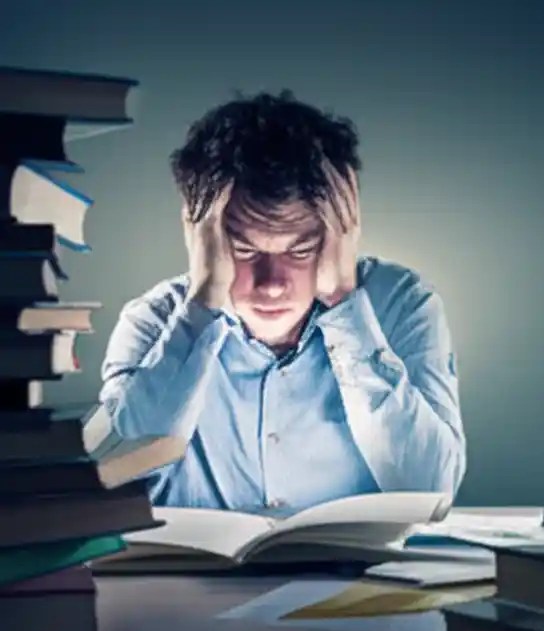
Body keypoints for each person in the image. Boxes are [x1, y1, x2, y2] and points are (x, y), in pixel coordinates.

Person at [99, 90, 466, 512]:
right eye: (245, 250)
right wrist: (201, 309)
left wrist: (345, 305)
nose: (272, 284)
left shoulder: (403, 307)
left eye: (300, 249)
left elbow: (431, 492)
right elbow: (116, 485)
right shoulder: (152, 322)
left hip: (365, 578)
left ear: (340, 232)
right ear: (201, 236)